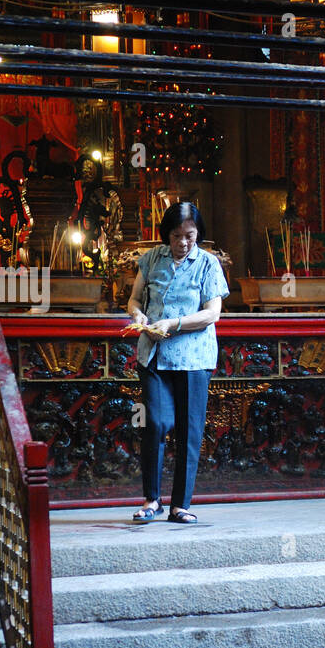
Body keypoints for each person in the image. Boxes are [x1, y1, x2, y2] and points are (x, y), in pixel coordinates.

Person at [126, 201, 227, 523]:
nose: (183, 243)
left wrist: (173, 324)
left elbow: (212, 313)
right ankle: (151, 500)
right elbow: (134, 299)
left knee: (189, 430)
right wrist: (138, 315)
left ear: (198, 234)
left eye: (189, 236)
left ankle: (180, 505)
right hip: (154, 355)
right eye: (176, 236)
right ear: (166, 235)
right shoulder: (151, 258)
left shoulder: (208, 264)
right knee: (155, 423)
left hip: (193, 357)